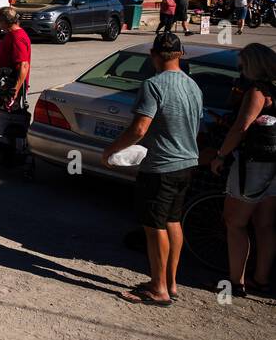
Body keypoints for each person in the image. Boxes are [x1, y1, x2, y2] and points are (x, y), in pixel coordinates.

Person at [102, 32, 203, 306]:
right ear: (181, 55)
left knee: (153, 225)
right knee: (173, 221)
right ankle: (170, 282)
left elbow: (139, 128)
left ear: (154, 56)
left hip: (160, 165)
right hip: (187, 163)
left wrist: (111, 150)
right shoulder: (193, 85)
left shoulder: (153, 85)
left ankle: (158, 288)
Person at [209, 43, 276, 297]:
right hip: (273, 164)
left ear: (252, 65)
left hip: (253, 165)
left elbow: (241, 127)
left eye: (242, 64)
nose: (240, 69)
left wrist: (220, 155)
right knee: (265, 225)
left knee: (235, 223)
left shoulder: (257, 92)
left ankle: (236, 282)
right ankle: (261, 279)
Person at [0, 7, 31, 111]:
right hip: (3, 86)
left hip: (9, 89)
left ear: (6, 21)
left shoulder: (17, 37)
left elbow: (24, 65)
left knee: (6, 122)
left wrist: (15, 90)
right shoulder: (11, 35)